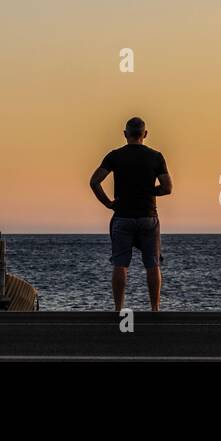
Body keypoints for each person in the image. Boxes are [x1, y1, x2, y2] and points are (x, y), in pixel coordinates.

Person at [89, 116, 172, 311]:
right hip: (148, 216)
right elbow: (168, 188)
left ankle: (119, 309)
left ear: (125, 134)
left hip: (123, 216)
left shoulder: (115, 156)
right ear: (145, 134)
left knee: (120, 264)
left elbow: (94, 182)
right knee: (152, 265)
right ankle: (155, 309)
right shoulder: (156, 156)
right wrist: (151, 191)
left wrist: (108, 203)